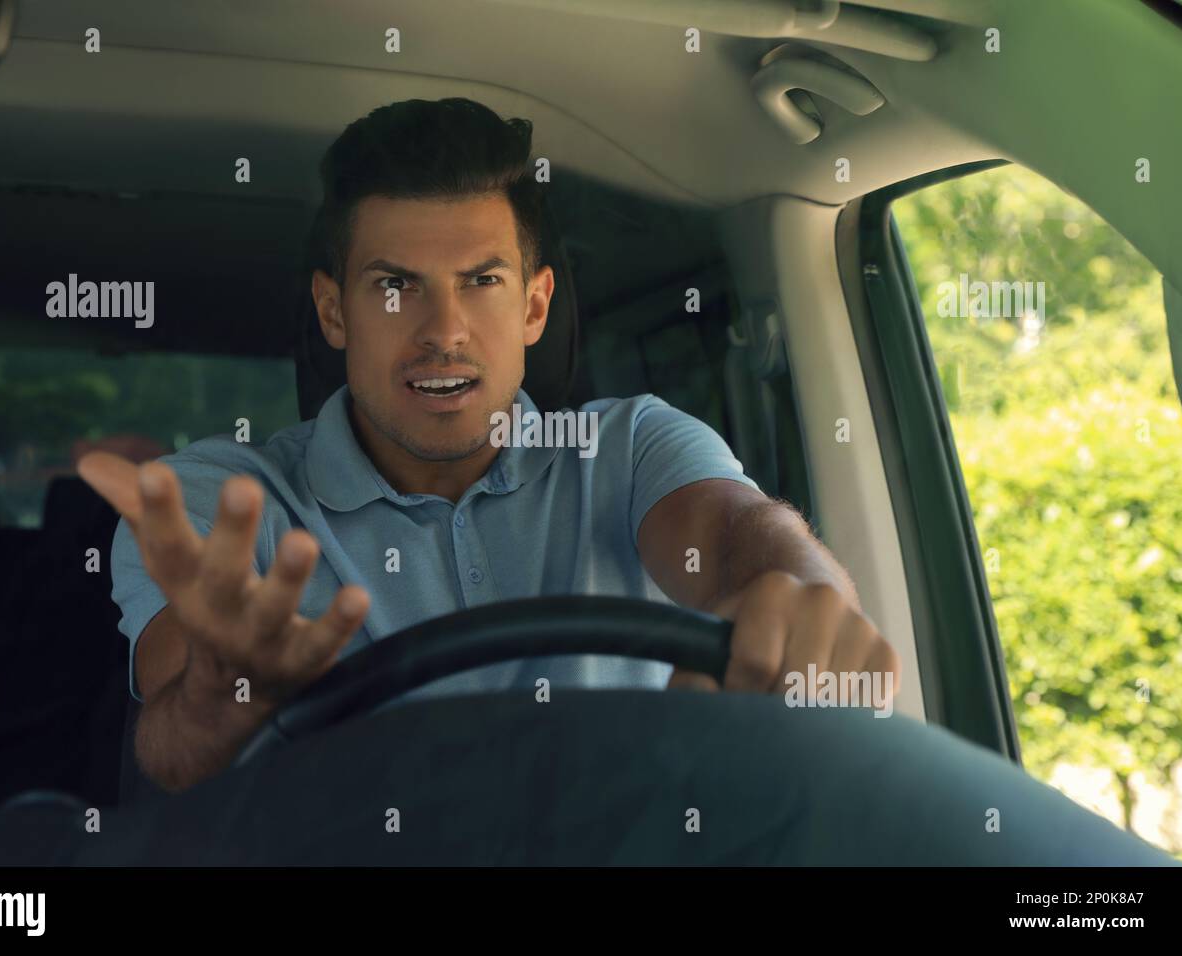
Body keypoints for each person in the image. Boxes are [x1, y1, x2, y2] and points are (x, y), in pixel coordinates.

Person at [78, 97, 899, 793]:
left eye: (481, 281)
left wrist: (801, 593)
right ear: (334, 312)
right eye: (395, 286)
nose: (444, 332)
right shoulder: (217, 499)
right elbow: (172, 753)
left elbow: (739, 531)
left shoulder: (631, 447)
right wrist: (225, 692)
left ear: (535, 307)